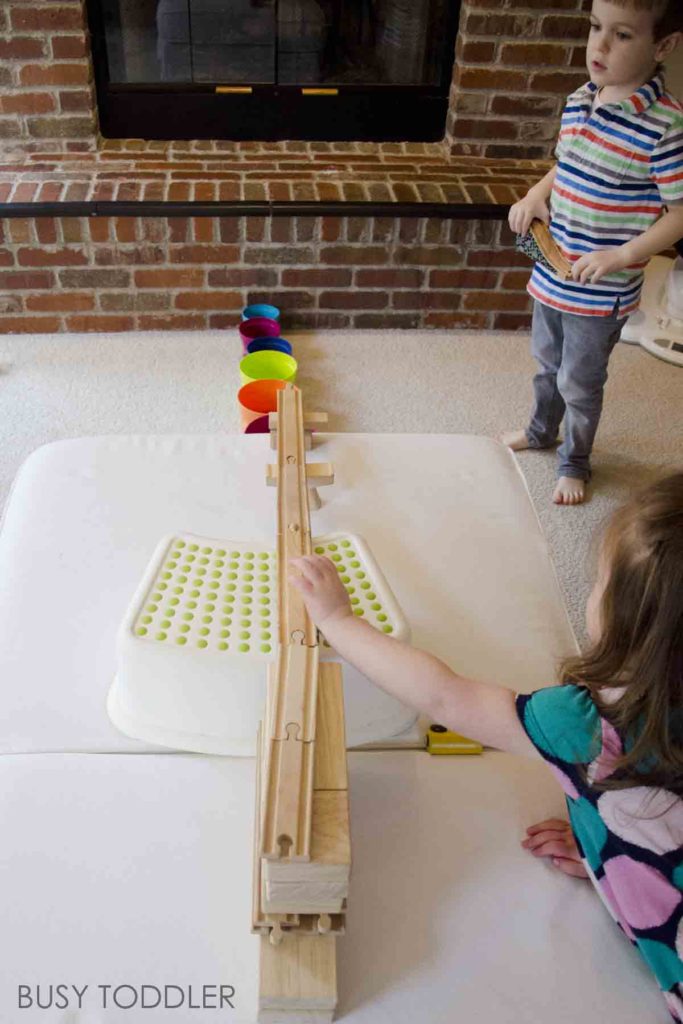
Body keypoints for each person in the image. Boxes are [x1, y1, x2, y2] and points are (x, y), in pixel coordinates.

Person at [290, 471, 683, 1021]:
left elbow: (447, 698)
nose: (589, 593)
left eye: (599, 584)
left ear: (629, 628)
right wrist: (614, 837)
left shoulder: (585, 726)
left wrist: (338, 619)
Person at [503, 0, 683, 506]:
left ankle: (575, 461)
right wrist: (538, 194)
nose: (599, 45)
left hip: (601, 289)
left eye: (622, 35)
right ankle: (540, 432)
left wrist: (622, 255)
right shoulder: (581, 98)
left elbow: (678, 214)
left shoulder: (666, 127)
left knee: (578, 382)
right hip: (554, 269)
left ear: (663, 46)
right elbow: (566, 165)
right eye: (595, 27)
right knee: (544, 362)